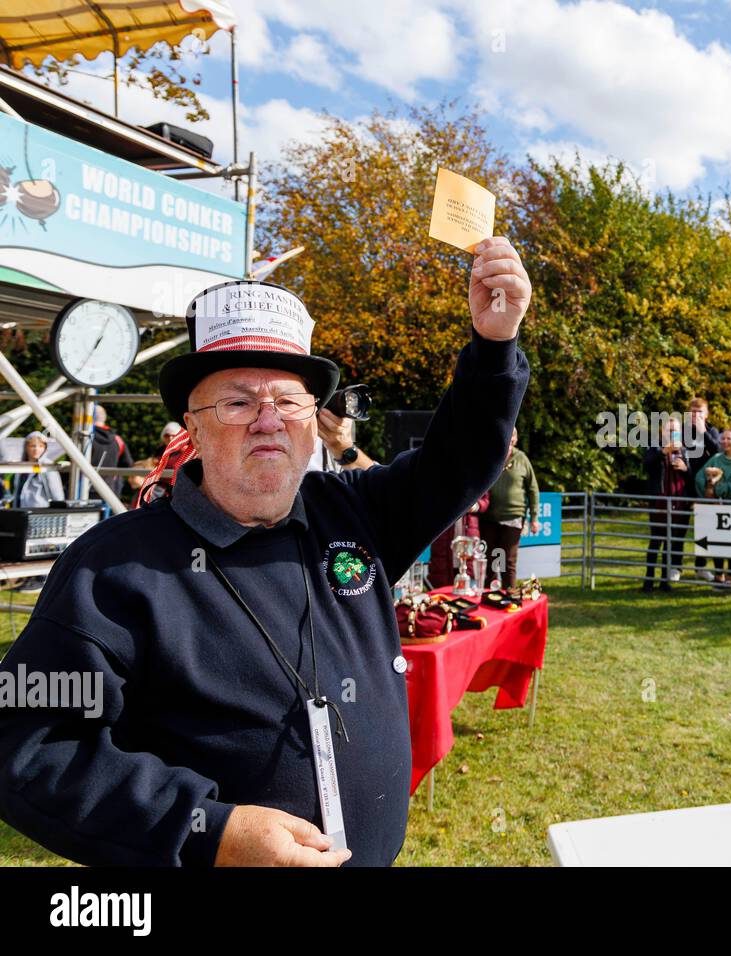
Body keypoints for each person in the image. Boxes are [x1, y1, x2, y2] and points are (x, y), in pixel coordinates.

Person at [0, 237, 531, 866]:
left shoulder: (354, 513)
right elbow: (30, 748)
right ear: (193, 428)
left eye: (290, 400)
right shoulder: (111, 571)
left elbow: (459, 458)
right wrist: (210, 831)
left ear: (314, 423)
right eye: (238, 402)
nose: (269, 419)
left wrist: (495, 344)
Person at [480, 427, 541, 588]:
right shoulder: (490, 457)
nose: (510, 438)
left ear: (516, 439)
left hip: (513, 517)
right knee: (492, 559)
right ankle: (491, 596)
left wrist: (534, 518)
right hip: (489, 517)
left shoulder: (522, 459)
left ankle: (509, 595)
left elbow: (533, 489)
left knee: (508, 560)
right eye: (507, 435)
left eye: (513, 436)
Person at [643, 416, 691, 590]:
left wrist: (685, 468)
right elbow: (647, 466)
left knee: (670, 542)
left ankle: (664, 580)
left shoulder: (683, 450)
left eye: (675, 430)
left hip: (677, 500)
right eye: (669, 430)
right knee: (656, 540)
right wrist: (663, 452)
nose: (672, 433)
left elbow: (690, 476)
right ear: (662, 431)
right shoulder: (654, 446)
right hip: (659, 500)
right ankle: (648, 580)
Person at [695, 427, 731, 586]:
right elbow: (699, 477)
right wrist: (708, 491)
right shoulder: (716, 458)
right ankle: (719, 573)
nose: (724, 441)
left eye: (729, 438)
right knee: (715, 540)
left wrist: (717, 489)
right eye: (722, 438)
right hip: (714, 508)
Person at [683, 397, 721, 581]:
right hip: (684, 485)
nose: (695, 415)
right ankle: (675, 567)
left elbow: (718, 452)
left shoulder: (712, 431)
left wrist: (703, 432)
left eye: (699, 412)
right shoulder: (682, 431)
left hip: (705, 488)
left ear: (706, 414)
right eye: (692, 412)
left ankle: (701, 567)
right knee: (679, 528)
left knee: (704, 530)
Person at [427, 493, 490, 590]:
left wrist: (476, 506)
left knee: (468, 576)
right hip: (443, 534)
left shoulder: (475, 482)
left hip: (469, 529)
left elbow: (485, 500)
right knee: (442, 583)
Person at [88, 405, 133, 501]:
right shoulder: (117, 440)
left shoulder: (85, 438)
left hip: (85, 489)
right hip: (109, 491)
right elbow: (128, 464)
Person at [10, 432, 64, 508]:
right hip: (21, 509)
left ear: (45, 448)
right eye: (33, 446)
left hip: (40, 510)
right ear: (26, 447)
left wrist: (60, 508)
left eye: (41, 446)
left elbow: (56, 491)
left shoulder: (47, 465)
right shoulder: (21, 466)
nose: (36, 449)